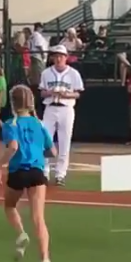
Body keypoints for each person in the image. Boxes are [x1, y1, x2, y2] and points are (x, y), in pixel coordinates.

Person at [0, 85, 55, 262]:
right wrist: (38, 153)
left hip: (18, 171)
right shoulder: (39, 124)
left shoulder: (11, 124)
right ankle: (45, 260)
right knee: (39, 219)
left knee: (10, 205)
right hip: (37, 171)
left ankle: (21, 234)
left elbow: (13, 146)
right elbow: (52, 152)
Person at [37, 44, 83, 185]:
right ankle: (44, 172)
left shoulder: (73, 73)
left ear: (66, 57)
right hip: (50, 107)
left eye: (61, 56)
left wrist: (66, 94)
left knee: (64, 142)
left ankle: (60, 174)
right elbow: (42, 92)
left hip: (66, 108)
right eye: (56, 56)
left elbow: (78, 93)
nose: (58, 59)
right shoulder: (46, 73)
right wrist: (51, 92)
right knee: (46, 141)